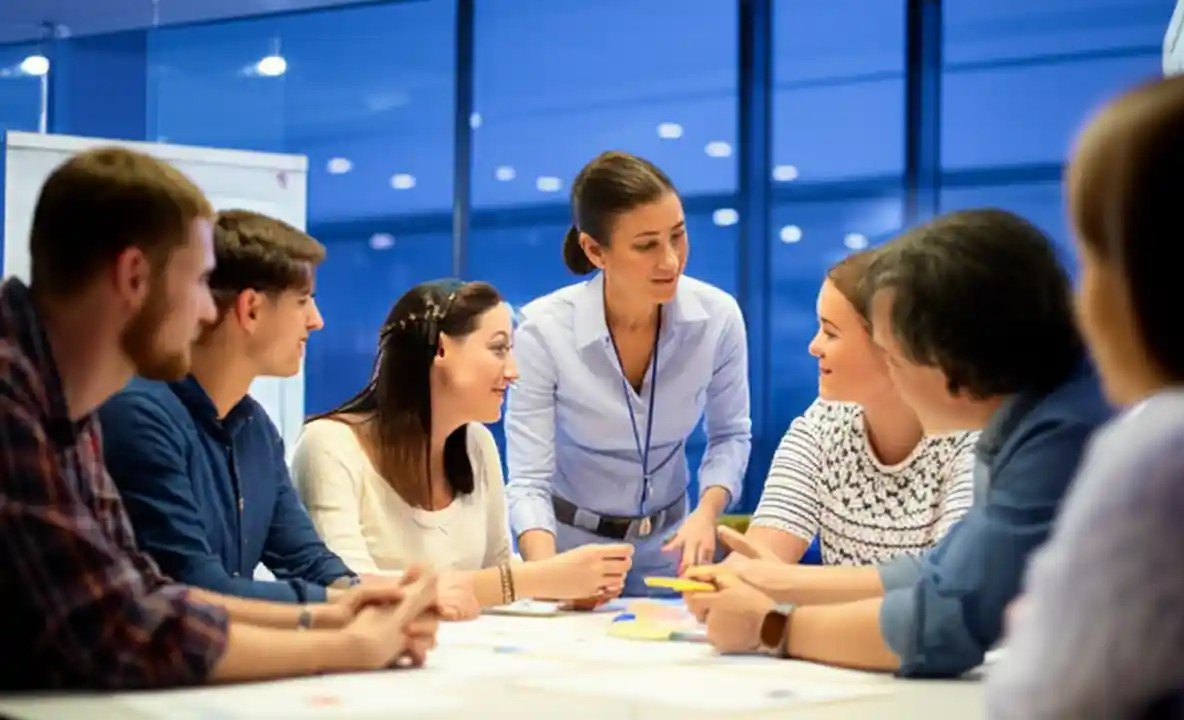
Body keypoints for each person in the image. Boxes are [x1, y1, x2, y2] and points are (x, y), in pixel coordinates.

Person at [0, 146, 439, 690]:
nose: (210, 310)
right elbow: (115, 629)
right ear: (135, 276)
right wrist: (346, 643)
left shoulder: (61, 399)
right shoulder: (14, 394)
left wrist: (337, 613)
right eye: (198, 282)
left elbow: (144, 589)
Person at [685, 209, 1112, 678]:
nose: (896, 378)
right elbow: (950, 571)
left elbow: (946, 620)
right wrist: (781, 583)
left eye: (895, 358)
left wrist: (771, 625)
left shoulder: (1057, 435)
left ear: (952, 355)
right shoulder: (1035, 416)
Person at [988, 71, 1184, 718]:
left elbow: (1040, 702)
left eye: (1093, 257)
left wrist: (1040, 624)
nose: (1080, 299)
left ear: (1164, 276)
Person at [293, 280, 634, 607]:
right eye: (498, 349)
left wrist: (565, 587)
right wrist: (541, 579)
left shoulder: (476, 444)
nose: (513, 371)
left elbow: (498, 575)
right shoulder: (329, 445)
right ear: (441, 348)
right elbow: (350, 588)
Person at [505, 150, 751, 598]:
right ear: (595, 250)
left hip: (675, 546)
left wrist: (707, 514)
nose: (671, 260)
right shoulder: (543, 331)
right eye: (646, 245)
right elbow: (528, 481)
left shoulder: (718, 318)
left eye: (678, 236)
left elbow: (730, 434)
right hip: (570, 549)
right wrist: (548, 575)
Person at [98, 210, 362, 605]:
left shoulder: (255, 427)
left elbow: (306, 560)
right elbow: (197, 587)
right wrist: (346, 606)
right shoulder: (139, 415)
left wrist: (375, 597)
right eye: (303, 301)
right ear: (251, 309)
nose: (316, 321)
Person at [747, 249, 977, 566]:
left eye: (830, 332)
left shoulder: (972, 439)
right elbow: (760, 560)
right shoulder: (822, 424)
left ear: (891, 346)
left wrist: (783, 587)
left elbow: (947, 588)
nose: (814, 347)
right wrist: (732, 583)